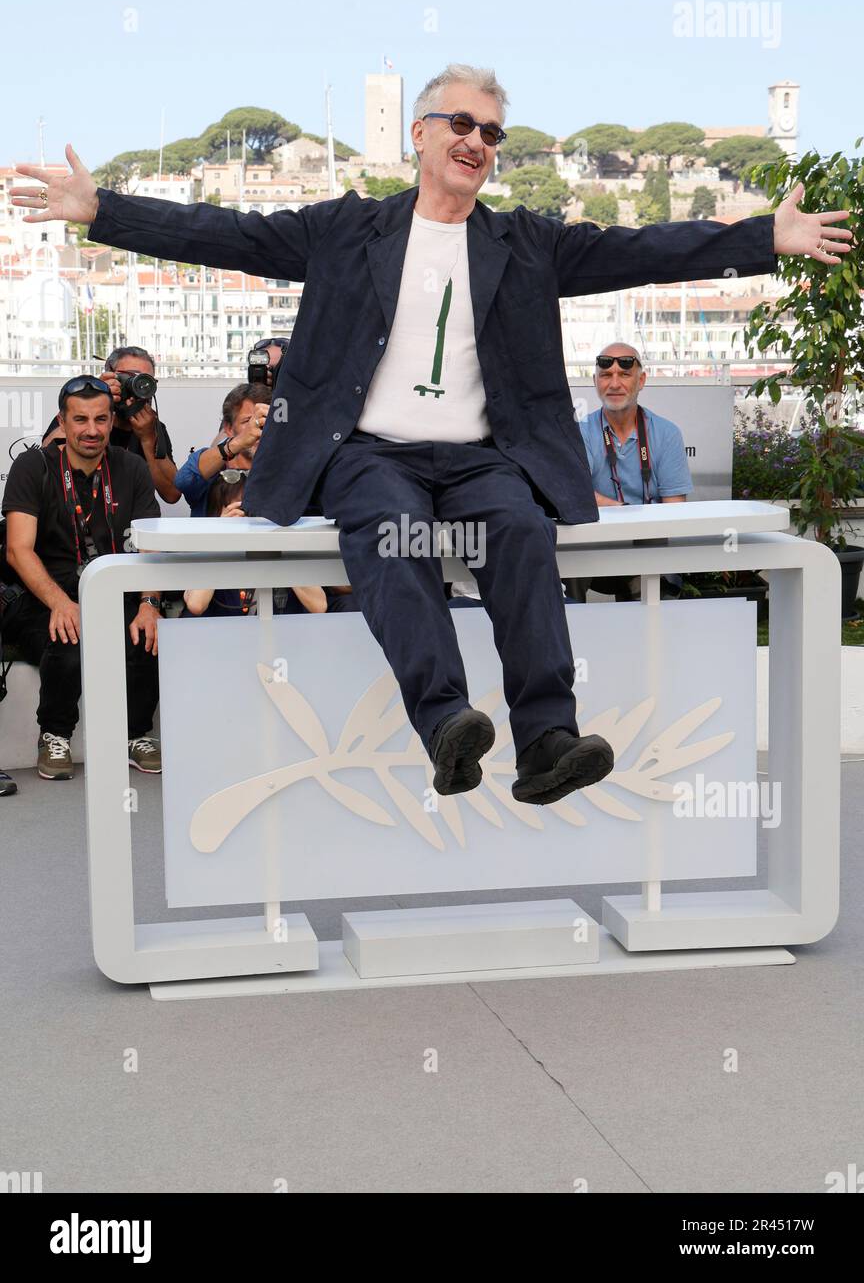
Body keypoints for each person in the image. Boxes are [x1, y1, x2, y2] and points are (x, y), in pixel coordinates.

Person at [14, 64, 852, 804]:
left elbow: (641, 249)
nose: (477, 141)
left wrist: (763, 241)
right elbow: (227, 235)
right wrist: (102, 210)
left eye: (492, 131)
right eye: (462, 123)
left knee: (522, 533)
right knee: (384, 531)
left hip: (481, 459)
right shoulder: (346, 230)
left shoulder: (526, 243)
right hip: (370, 453)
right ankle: (447, 719)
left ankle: (548, 740)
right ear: (420, 134)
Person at [1, 376, 162, 780]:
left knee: (146, 632)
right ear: (63, 421)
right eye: (81, 419)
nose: (91, 430)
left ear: (111, 422)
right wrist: (59, 602)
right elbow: (17, 549)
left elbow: (151, 546)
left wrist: (149, 603)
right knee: (70, 634)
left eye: (101, 419)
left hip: (111, 591)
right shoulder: (32, 466)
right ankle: (54, 734)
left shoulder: (132, 468)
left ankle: (134, 734)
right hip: (43, 597)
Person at [571, 342, 692, 602]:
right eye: (606, 375)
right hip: (592, 544)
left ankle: (653, 638)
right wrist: (624, 510)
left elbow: (676, 511)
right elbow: (572, 493)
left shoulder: (666, 433)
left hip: (647, 543)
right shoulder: (580, 431)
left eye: (625, 375)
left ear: (641, 380)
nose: (614, 384)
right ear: (595, 381)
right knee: (567, 560)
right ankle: (568, 638)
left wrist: (620, 515)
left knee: (660, 577)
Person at [43, 345, 180, 505]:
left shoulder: (152, 426)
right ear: (109, 375)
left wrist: (148, 438)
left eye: (144, 380)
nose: (136, 386)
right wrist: (97, 396)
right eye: (128, 378)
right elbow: (46, 457)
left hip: (129, 521)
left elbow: (172, 494)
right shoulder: (78, 416)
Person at [182, 472, 327, 618]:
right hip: (226, 636)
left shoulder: (283, 544)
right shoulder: (210, 549)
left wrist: (274, 541)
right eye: (238, 510)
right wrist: (221, 537)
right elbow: (196, 605)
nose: (246, 517)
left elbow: (319, 606)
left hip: (280, 636)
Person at [174, 383, 271, 517]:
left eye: (266, 420)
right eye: (247, 421)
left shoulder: (285, 466)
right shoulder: (211, 469)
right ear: (229, 428)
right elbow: (183, 481)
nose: (259, 427)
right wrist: (239, 442)